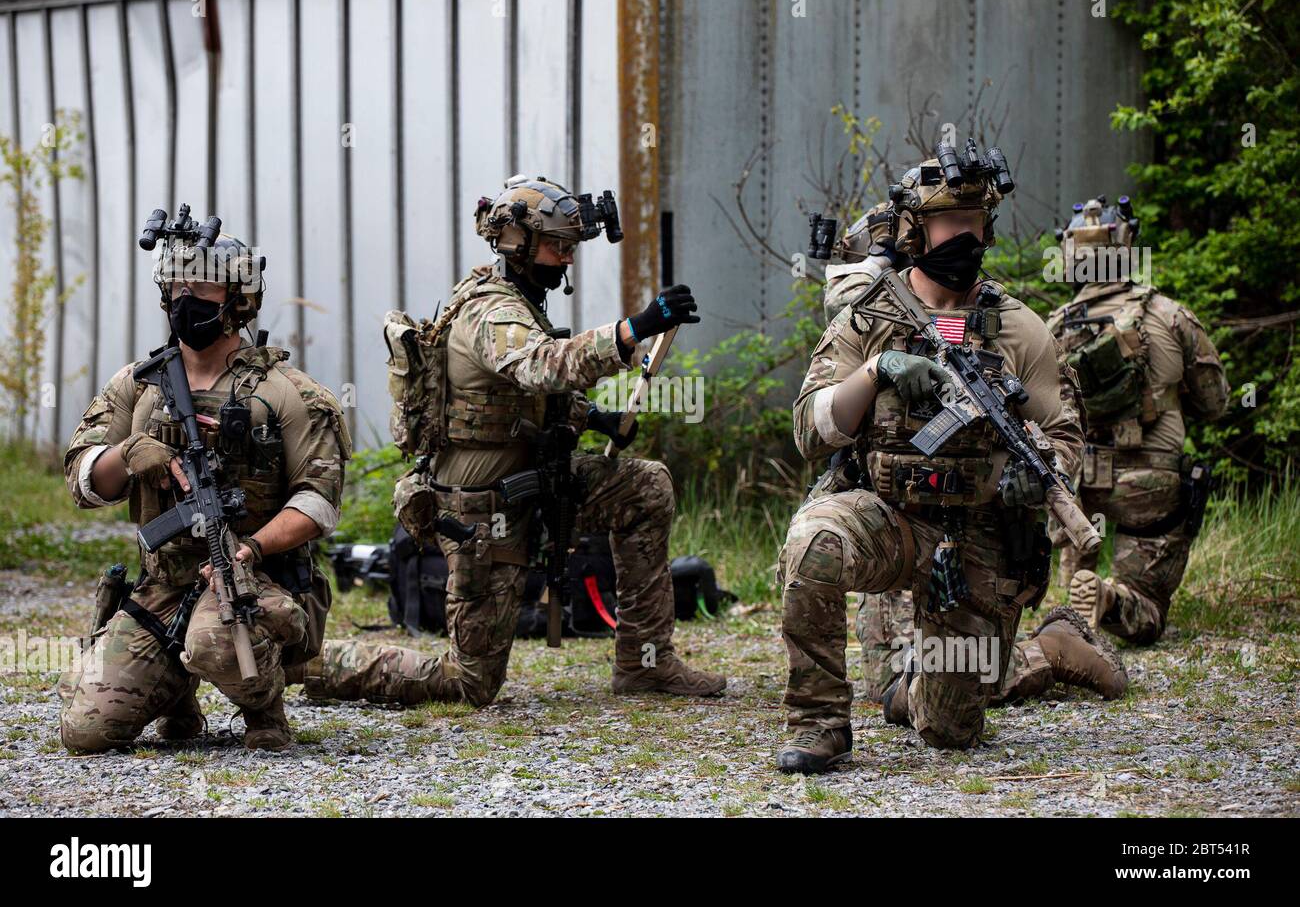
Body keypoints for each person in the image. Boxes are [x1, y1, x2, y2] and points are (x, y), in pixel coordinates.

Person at [303, 175, 726, 708]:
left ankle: (647, 661)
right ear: (516, 244)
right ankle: (310, 659)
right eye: (558, 247)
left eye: (572, 248)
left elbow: (514, 398)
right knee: (470, 682)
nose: (567, 260)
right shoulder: (492, 310)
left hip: (533, 482)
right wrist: (637, 326)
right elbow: (547, 366)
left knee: (646, 488)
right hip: (483, 509)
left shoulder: (522, 301)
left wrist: (594, 418)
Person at [775, 145, 1126, 774]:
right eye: (949, 223)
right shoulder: (869, 319)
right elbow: (809, 429)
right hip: (889, 516)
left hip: (978, 534)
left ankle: (1050, 646)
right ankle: (820, 723)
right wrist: (877, 371)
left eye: (975, 222)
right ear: (915, 229)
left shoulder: (1019, 329)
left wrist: (1035, 467)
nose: (964, 235)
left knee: (948, 729)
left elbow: (1066, 437)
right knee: (812, 542)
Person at [59, 226, 350, 752]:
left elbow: (319, 500)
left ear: (237, 300)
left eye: (202, 291)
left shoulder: (288, 393)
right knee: (86, 732)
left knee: (216, 640)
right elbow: (83, 480)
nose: (185, 301)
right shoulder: (138, 384)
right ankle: (175, 696)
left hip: (251, 577)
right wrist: (127, 454)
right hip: (163, 583)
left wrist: (252, 547)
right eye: (177, 289)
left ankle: (265, 709)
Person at [1046, 195, 1229, 644]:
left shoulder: (1051, 327)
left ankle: (1073, 610)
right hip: (1150, 486)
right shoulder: (1169, 315)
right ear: (1128, 247)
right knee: (1147, 605)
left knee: (1074, 581)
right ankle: (1112, 599)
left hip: (1078, 488)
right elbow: (1216, 403)